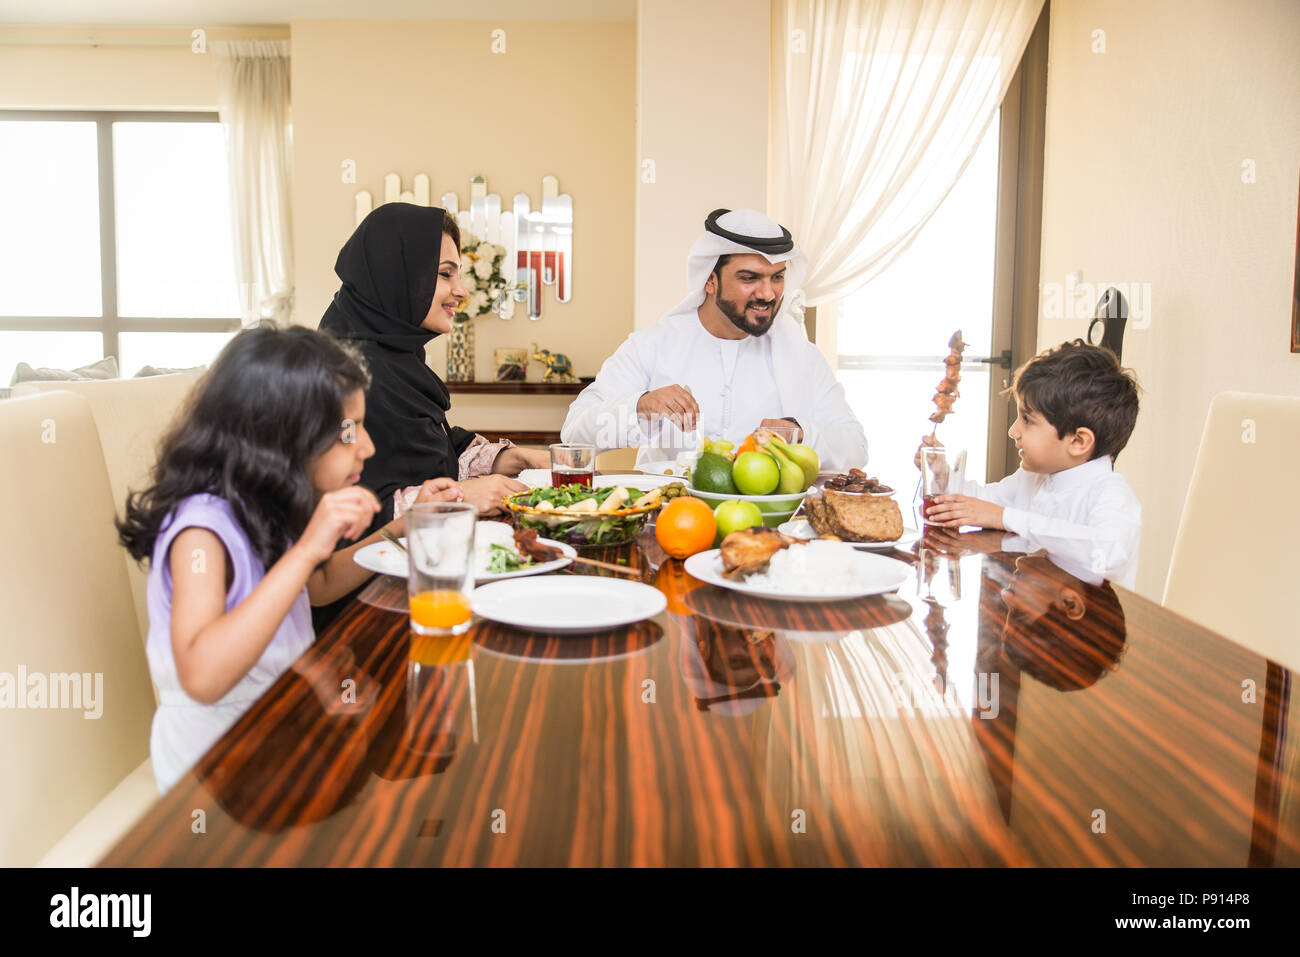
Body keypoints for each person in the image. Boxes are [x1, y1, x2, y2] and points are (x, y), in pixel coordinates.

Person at [117, 327, 461, 793]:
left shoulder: (266, 506)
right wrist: (306, 550)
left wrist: (397, 528)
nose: (368, 447)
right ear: (282, 436)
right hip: (214, 775)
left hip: (279, 738)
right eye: (349, 430)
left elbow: (314, 589)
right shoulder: (201, 530)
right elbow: (201, 676)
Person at [561, 208, 867, 470]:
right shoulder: (652, 346)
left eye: (777, 277)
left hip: (771, 527)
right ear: (710, 280)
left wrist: (800, 432)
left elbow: (856, 448)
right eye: (749, 278)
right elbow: (574, 434)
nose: (768, 293)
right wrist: (640, 405)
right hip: (672, 521)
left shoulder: (801, 355)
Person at [318, 202, 548, 528]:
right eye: (445, 274)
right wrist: (459, 497)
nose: (461, 290)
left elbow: (432, 453)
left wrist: (514, 458)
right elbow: (348, 512)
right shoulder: (349, 373)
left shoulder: (395, 358)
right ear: (397, 276)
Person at [917, 339, 1142, 588]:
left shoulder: (1110, 493)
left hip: (1090, 619)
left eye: (1027, 419)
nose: (1013, 431)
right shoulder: (1034, 478)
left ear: (1078, 441)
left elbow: (1108, 553)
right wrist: (941, 475)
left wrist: (1007, 518)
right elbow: (979, 504)